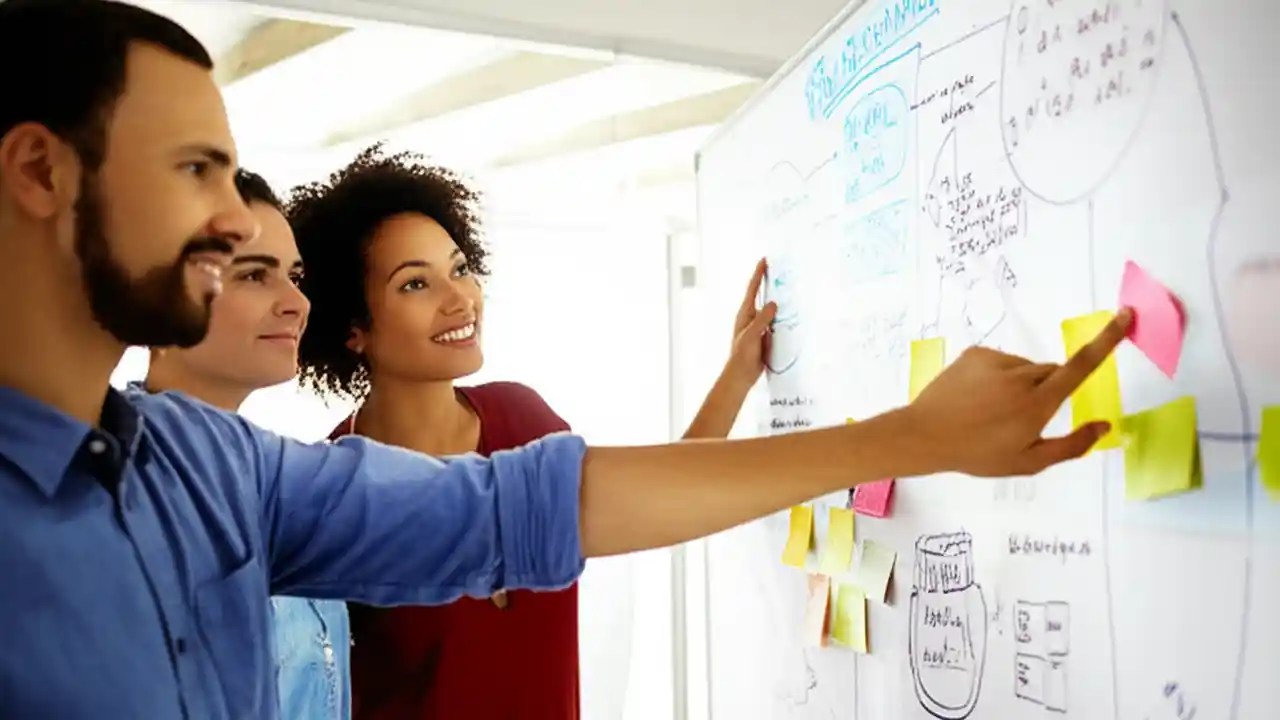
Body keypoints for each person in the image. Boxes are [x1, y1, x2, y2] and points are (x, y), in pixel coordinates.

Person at [0, 1, 1128, 718]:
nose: (230, 220)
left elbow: (529, 507)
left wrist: (912, 436)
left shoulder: (213, 469)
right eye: (193, 168)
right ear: (42, 173)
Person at [287, 145, 776, 718]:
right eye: (416, 284)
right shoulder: (332, 492)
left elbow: (664, 496)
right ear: (353, 328)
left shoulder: (524, 420)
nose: (460, 299)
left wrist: (737, 375)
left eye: (459, 269)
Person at [139, 168, 351, 720]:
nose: (297, 302)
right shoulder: (105, 498)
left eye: (294, 275)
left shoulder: (280, 486)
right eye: (255, 275)